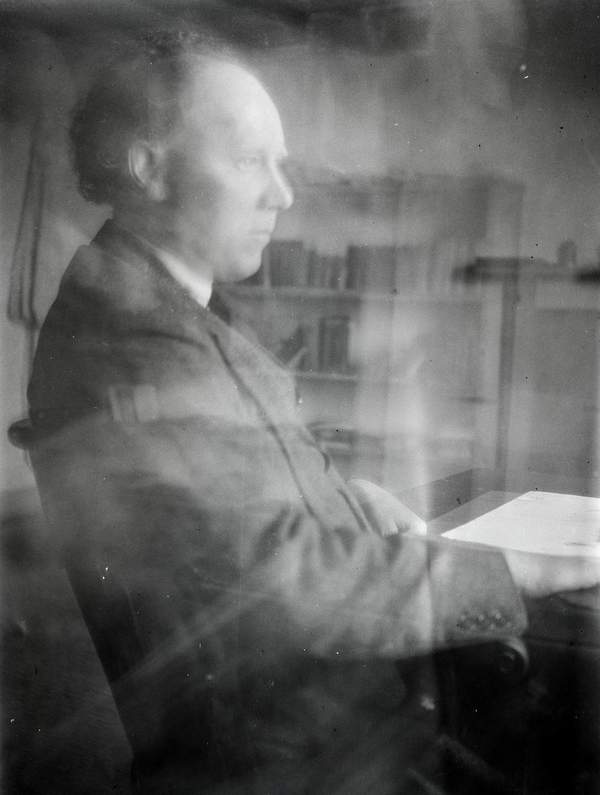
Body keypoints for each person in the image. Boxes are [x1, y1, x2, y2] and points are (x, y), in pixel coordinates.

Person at [26, 32, 600, 794]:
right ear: (148, 168)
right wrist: (516, 567)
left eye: (282, 162)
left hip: (322, 715)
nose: (283, 194)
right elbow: (281, 579)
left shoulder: (178, 305)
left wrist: (346, 496)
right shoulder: (132, 335)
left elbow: (226, 501)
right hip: (286, 759)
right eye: (249, 160)